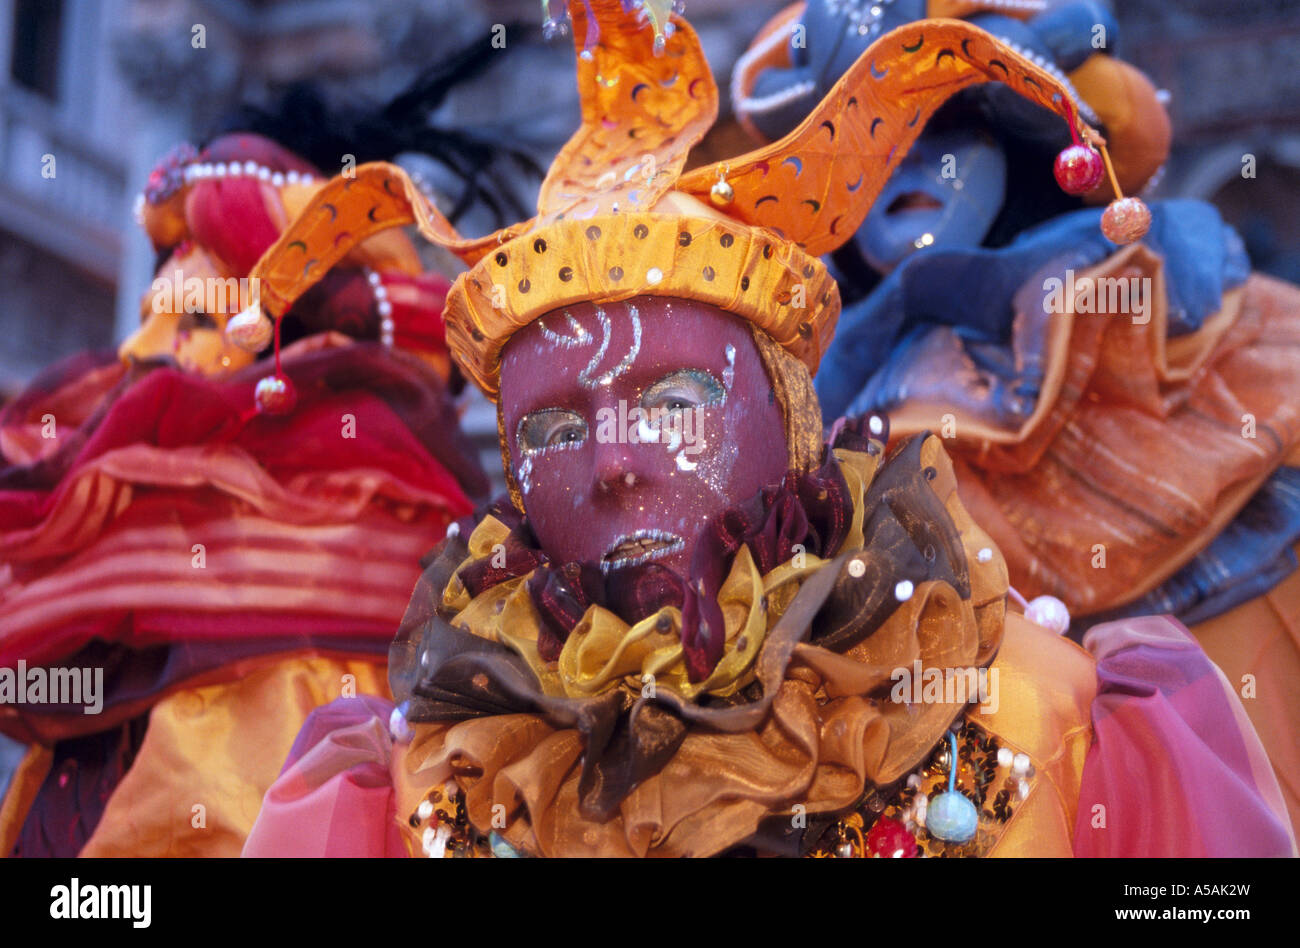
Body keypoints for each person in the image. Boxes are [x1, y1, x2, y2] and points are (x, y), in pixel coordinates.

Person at [236, 0, 1293, 858]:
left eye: (673, 403)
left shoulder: (1049, 717)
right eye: (553, 427)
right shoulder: (418, 786)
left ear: (790, 409)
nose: (611, 465)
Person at [735, 0, 1300, 829]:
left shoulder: (1178, 314)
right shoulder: (823, 387)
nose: (909, 166)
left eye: (945, 133)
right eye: (871, 142)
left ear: (1022, 151)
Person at [0, 35, 543, 855]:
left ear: (297, 345)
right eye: (157, 316)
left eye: (191, 323)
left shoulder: (322, 619)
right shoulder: (128, 596)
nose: (140, 357)